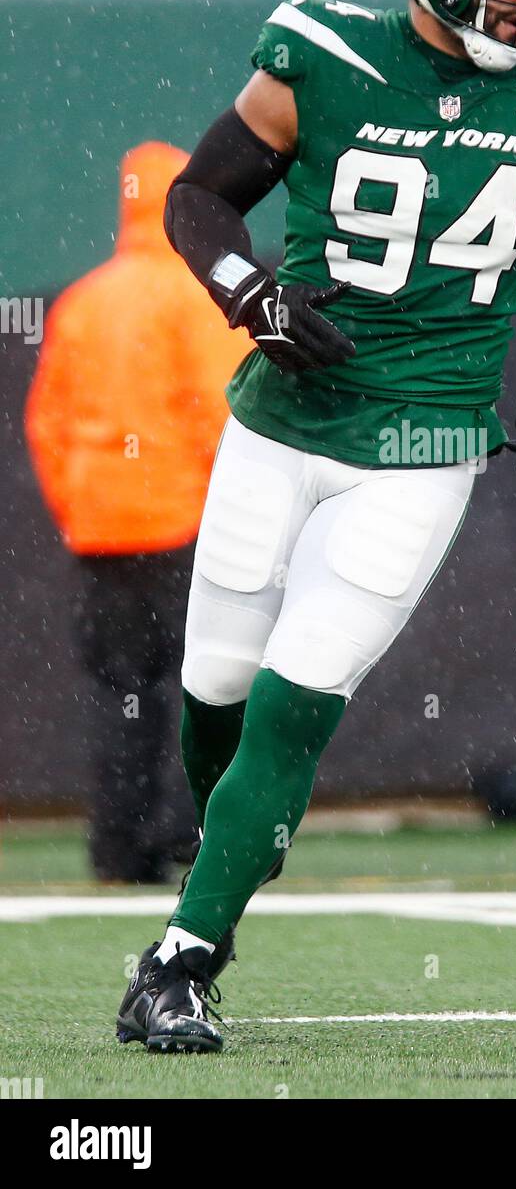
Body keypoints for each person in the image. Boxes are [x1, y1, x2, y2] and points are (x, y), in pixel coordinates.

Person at [115, 0, 516, 1054]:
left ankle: (182, 960)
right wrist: (251, 297)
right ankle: (231, 851)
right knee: (219, 703)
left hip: (422, 446)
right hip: (279, 426)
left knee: (296, 707)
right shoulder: (325, 56)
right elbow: (197, 200)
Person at [26, 141, 250, 883]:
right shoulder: (195, 296)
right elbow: (225, 416)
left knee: (121, 693)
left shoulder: (83, 301)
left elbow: (48, 424)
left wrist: (81, 503)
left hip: (100, 532)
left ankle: (116, 847)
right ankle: (189, 839)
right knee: (204, 684)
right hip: (183, 525)